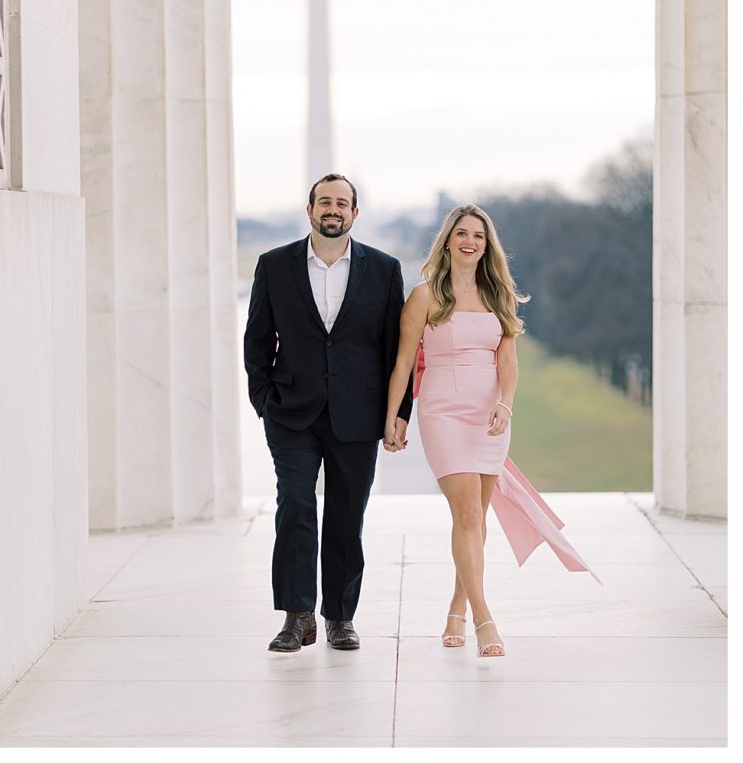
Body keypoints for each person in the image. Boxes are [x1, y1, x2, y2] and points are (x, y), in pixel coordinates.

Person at [383, 203, 598, 658]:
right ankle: (485, 618)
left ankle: (456, 610)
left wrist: (506, 405)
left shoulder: (499, 294)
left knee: (476, 521)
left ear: (487, 245)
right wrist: (393, 417)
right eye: (462, 233)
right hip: (442, 413)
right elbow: (402, 363)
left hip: (488, 415)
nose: (470, 241)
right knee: (466, 514)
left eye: (478, 236)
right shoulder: (424, 296)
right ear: (447, 241)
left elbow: (508, 361)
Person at [243, 174, 411, 653]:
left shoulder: (384, 269)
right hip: (291, 412)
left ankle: (339, 616)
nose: (332, 209)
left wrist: (398, 412)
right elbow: (257, 340)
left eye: (342, 203)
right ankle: (297, 617)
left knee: (345, 514)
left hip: (358, 414)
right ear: (310, 209)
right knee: (295, 507)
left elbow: (396, 350)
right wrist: (264, 400)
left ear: (355, 213)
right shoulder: (274, 265)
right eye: (324, 202)